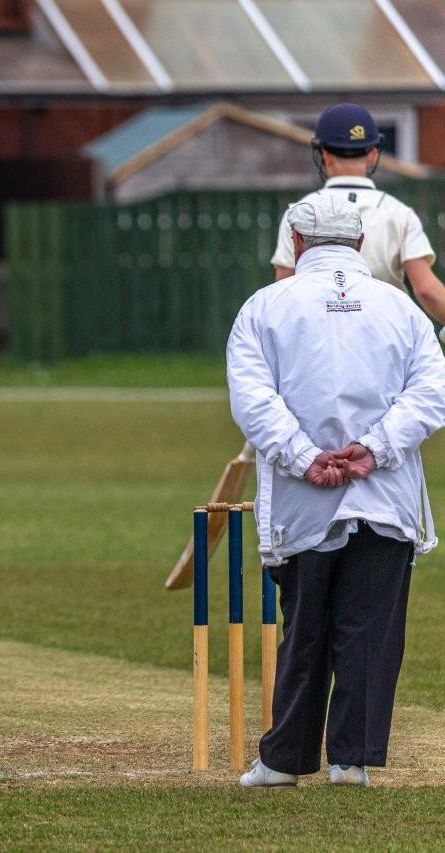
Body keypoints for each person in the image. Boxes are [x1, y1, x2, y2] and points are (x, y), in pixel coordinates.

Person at [229, 194, 445, 788]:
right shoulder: (400, 309)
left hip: (304, 499)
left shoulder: (264, 307)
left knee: (304, 628)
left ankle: (282, 762)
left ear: (296, 243)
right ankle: (352, 762)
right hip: (386, 492)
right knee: (371, 631)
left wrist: (306, 457)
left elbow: (253, 402)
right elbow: (431, 393)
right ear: (356, 245)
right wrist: (373, 450)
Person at [270, 103, 445, 323]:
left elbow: (283, 290)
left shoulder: (301, 212)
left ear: (324, 154)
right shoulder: (399, 212)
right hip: (385, 332)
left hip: (321, 337)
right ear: (372, 154)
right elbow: (427, 289)